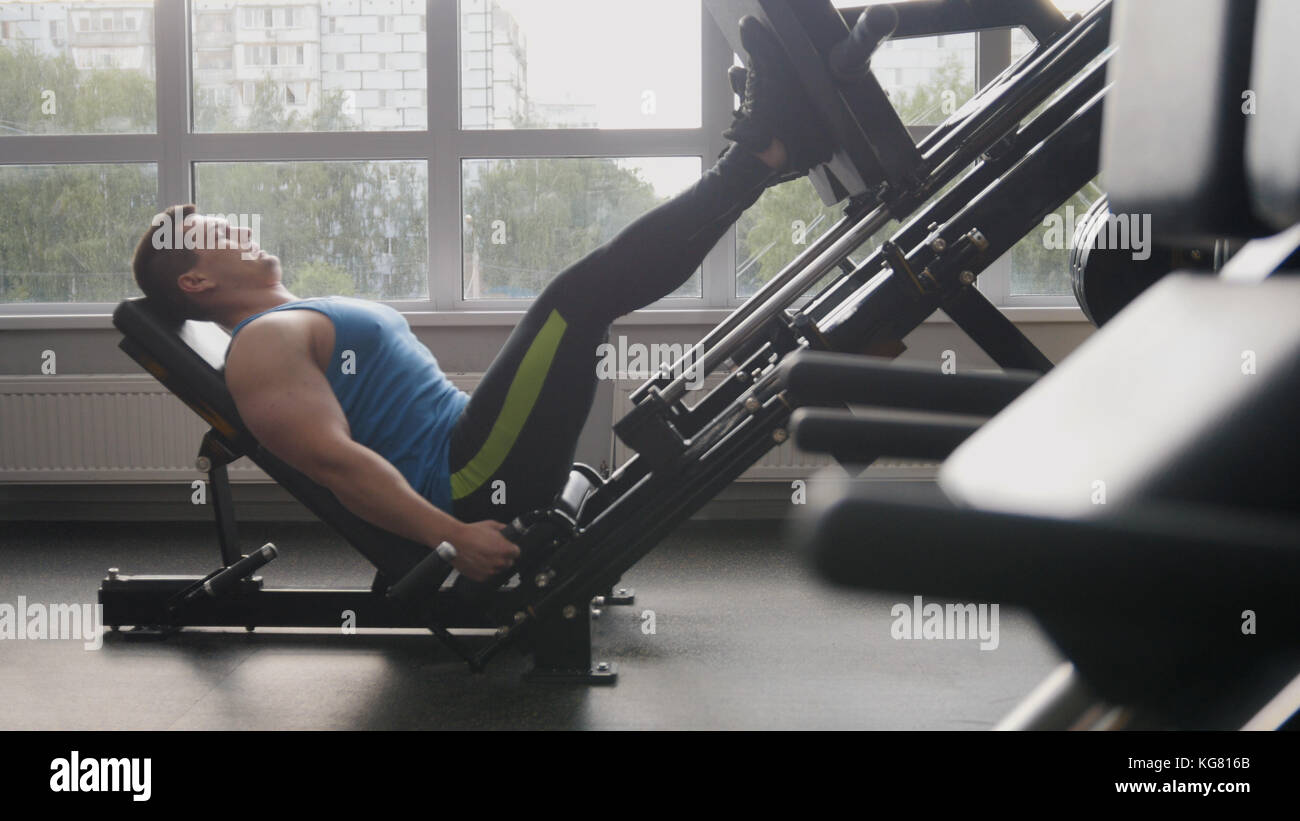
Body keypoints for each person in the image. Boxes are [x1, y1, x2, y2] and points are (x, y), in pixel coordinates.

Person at [129, 18, 832, 583]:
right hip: (467, 479)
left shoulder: (287, 320)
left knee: (584, 301)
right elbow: (334, 464)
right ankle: (760, 158)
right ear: (195, 282)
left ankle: (763, 160)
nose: (230, 225)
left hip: (472, 452)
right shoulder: (259, 347)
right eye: (209, 230)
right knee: (576, 300)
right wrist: (452, 536)